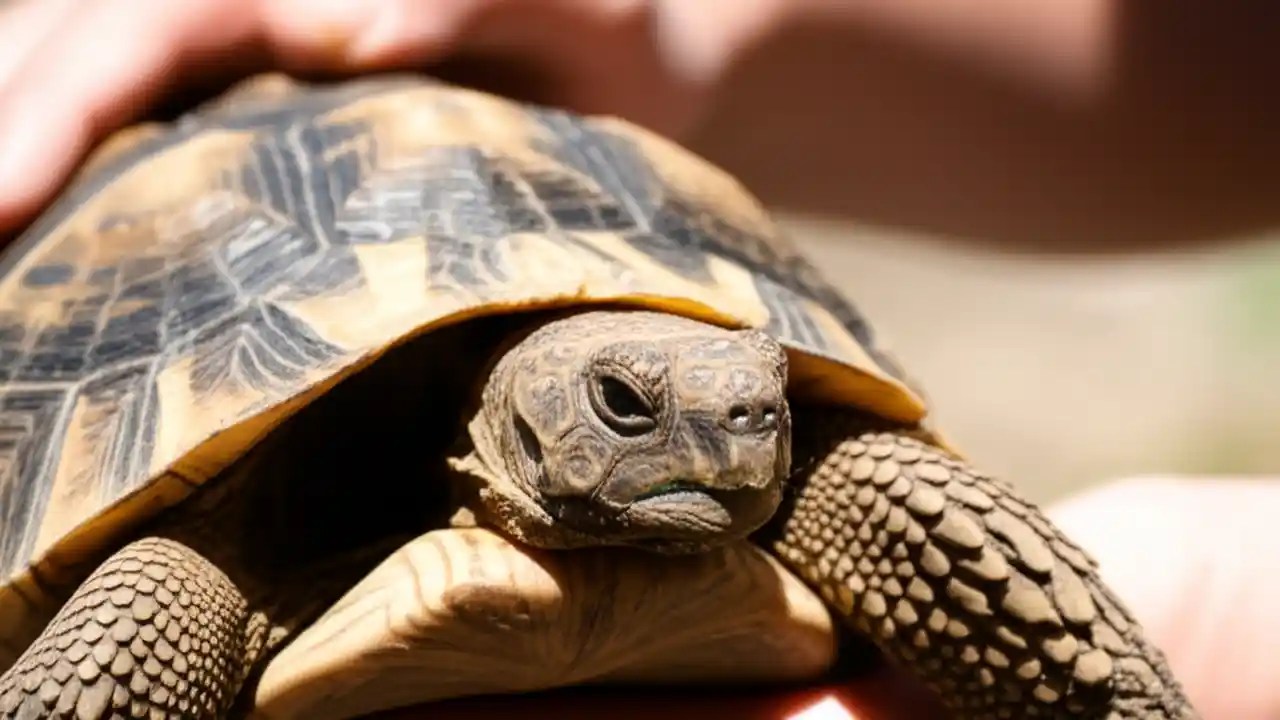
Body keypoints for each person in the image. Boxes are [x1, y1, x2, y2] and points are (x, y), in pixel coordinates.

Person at [0, 2, 1276, 718]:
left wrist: (1192, 641)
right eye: (623, 406)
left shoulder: (818, 491)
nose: (733, 441)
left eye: (759, 407)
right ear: (520, 410)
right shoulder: (197, 575)